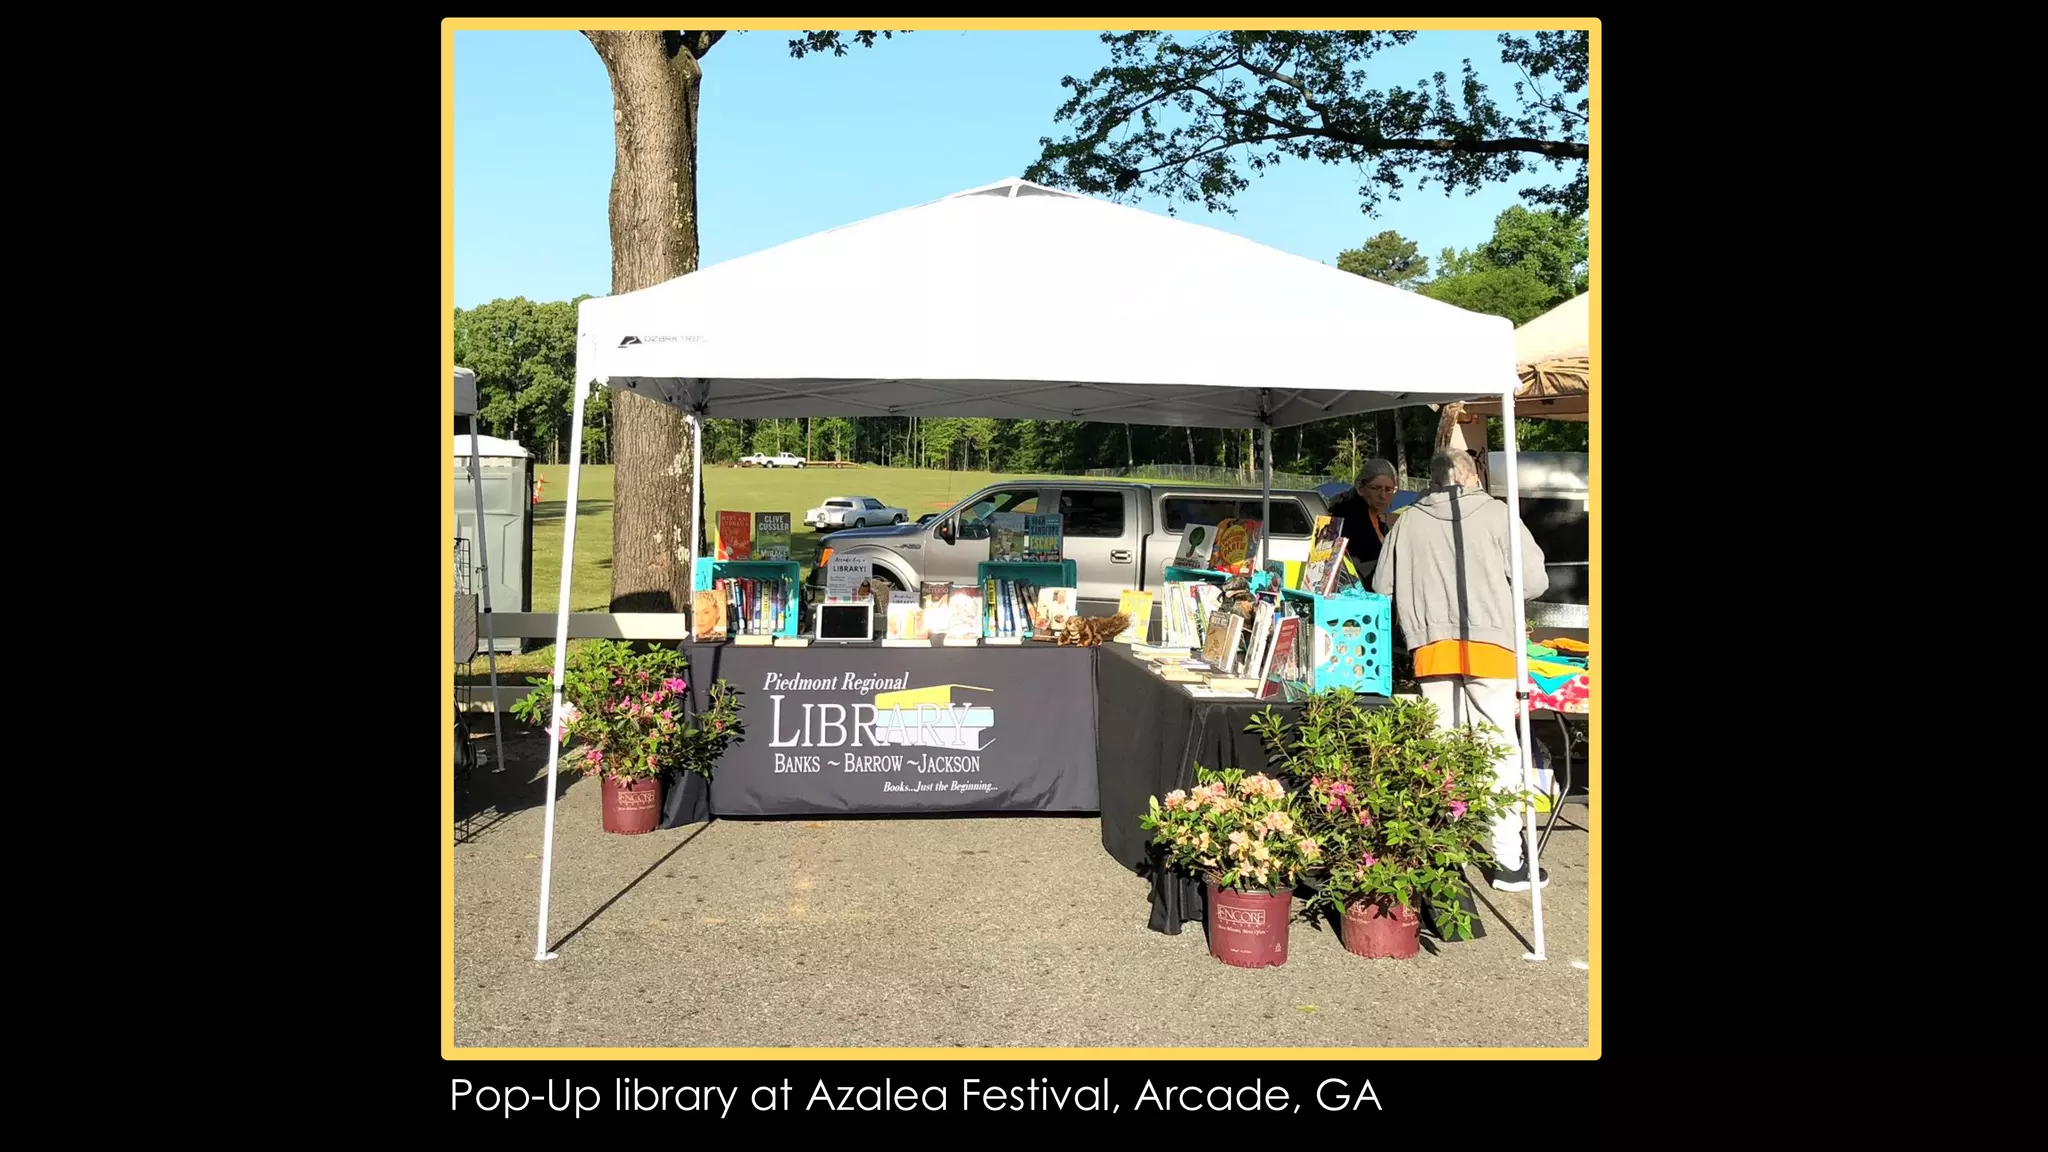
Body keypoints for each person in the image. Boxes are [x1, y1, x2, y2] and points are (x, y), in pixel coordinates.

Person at [1371, 449, 1550, 892]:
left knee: (1442, 749)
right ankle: (1507, 861)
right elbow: (1535, 582)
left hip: (1432, 646)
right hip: (1492, 646)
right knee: (1497, 749)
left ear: (1432, 482)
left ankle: (1443, 855)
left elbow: (1381, 585)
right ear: (1473, 478)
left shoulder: (1407, 521)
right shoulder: (1498, 515)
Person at [1326, 459, 1401, 576]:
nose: (1383, 495)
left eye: (1388, 489)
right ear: (1361, 488)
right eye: (1375, 488)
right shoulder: (1347, 522)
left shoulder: (1380, 521)